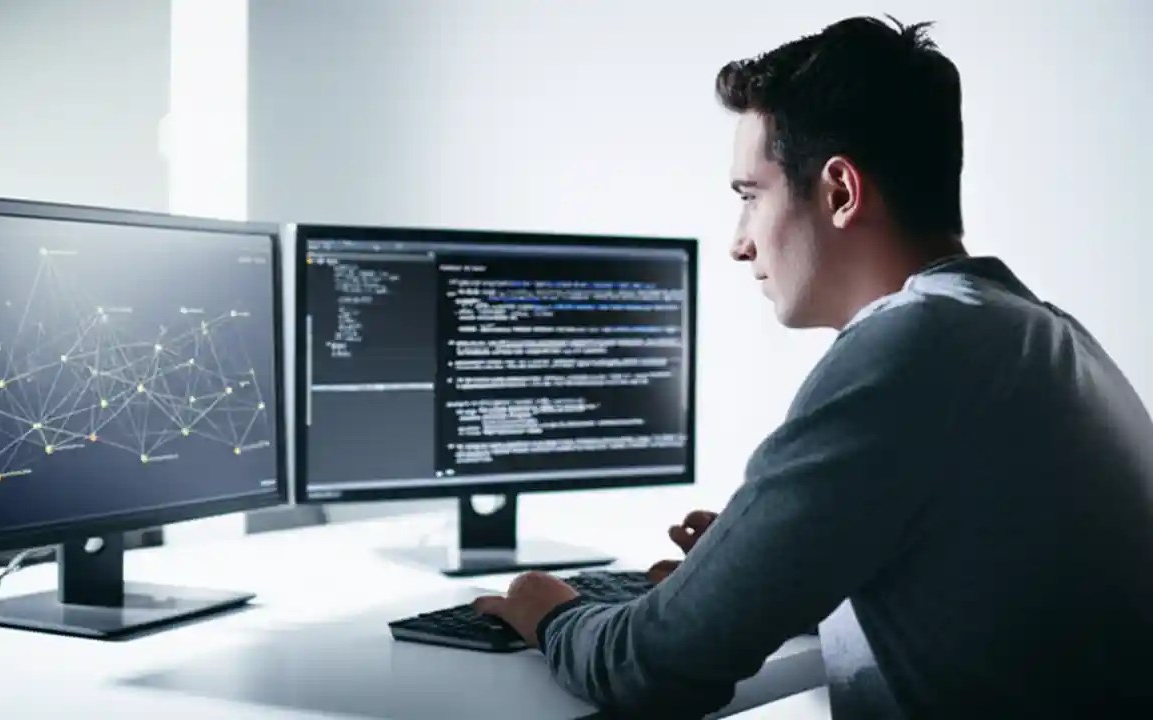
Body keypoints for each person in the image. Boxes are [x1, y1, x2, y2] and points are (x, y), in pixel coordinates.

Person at [474, 14, 1153, 718]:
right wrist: (778, 564)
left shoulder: (912, 346)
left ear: (838, 191)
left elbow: (648, 668)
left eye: (749, 196)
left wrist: (548, 611)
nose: (740, 244)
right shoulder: (1044, 337)